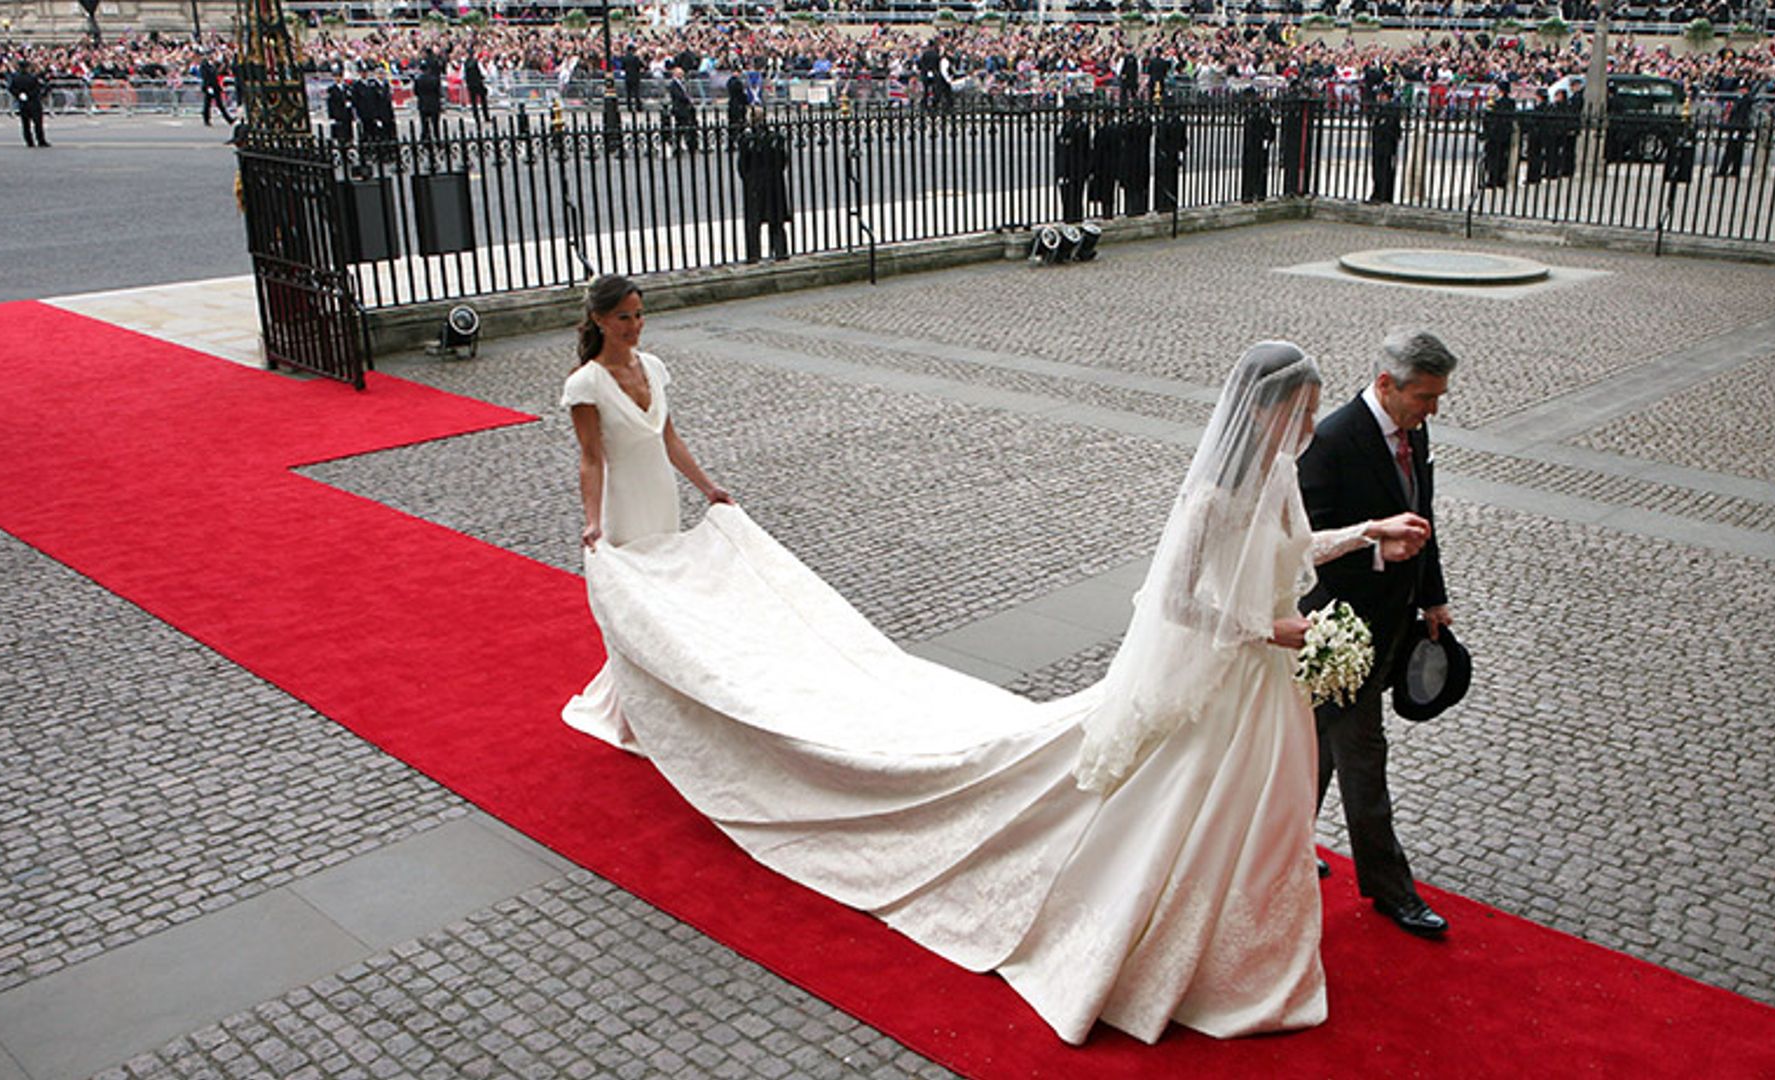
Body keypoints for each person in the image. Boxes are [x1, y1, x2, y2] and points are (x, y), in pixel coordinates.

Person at [566, 342, 1430, 1044]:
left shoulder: (1280, 477)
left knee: (1266, 817)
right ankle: (1193, 952)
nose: (1311, 424)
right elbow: (1177, 601)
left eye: (1313, 411)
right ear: (1263, 410)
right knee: (1193, 815)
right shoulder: (1210, 495)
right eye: (1301, 410)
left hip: (1267, 685)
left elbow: (1292, 551)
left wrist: (1367, 536)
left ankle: (1259, 947)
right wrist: (1266, 631)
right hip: (1232, 676)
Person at [1297, 328, 1457, 939]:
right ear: (1386, 384)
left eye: (1438, 398)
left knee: (1314, 751)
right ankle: (1393, 891)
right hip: (1338, 631)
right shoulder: (1331, 441)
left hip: (1393, 621)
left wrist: (1433, 595)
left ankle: (1278, 847)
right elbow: (1302, 545)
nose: (1433, 410)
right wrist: (1377, 547)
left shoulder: (1416, 430)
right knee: (1363, 756)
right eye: (1425, 397)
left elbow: (1424, 518)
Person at [561, 275, 733, 741]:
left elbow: (670, 440)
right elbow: (591, 458)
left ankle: (666, 695)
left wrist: (707, 487)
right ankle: (631, 710)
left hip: (661, 495)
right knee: (636, 608)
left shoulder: (654, 368)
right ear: (599, 319)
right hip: (624, 502)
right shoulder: (585, 384)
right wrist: (593, 521)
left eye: (639, 315)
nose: (635, 326)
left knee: (666, 598)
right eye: (624, 317)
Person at [736, 107, 791, 262]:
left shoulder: (746, 140)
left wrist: (749, 179)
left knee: (754, 223)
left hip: (755, 185)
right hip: (775, 184)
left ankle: (753, 255)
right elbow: (783, 161)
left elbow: (742, 166)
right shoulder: (776, 137)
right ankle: (780, 252)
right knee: (776, 221)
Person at [8, 60, 49, 148]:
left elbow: (11, 88)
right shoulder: (33, 78)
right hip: (34, 102)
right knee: (37, 123)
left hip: (23, 103)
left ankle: (29, 141)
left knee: (25, 124)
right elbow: (37, 89)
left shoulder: (16, 78)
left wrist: (19, 94)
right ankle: (40, 140)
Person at [198, 53, 234, 127]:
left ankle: (229, 119)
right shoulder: (204, 65)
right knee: (207, 104)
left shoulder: (215, 64)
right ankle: (207, 119)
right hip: (209, 86)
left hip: (215, 86)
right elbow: (205, 76)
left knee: (219, 104)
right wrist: (208, 86)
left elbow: (219, 71)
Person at [464, 51, 491, 126]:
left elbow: (464, 74)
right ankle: (486, 117)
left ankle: (476, 118)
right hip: (478, 83)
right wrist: (482, 77)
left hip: (470, 84)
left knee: (474, 103)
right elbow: (481, 72)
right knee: (483, 100)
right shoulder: (476, 62)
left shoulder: (466, 63)